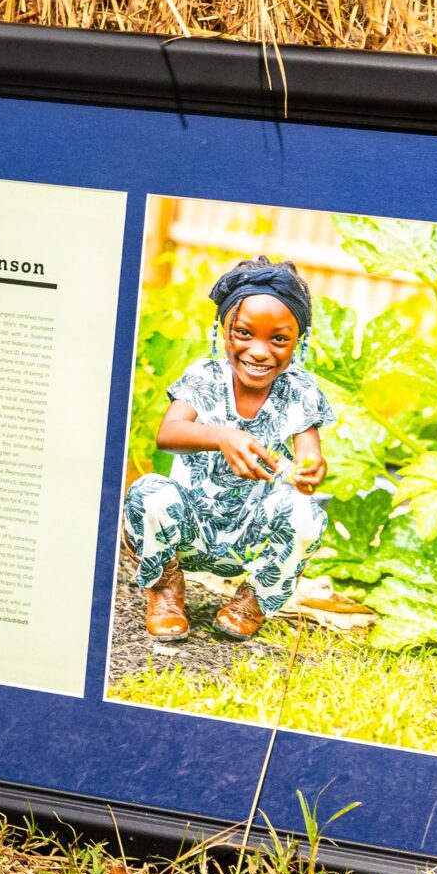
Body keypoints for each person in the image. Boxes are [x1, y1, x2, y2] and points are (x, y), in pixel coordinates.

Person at [122, 257, 334, 644]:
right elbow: (168, 432)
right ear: (223, 331)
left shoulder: (300, 391)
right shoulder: (205, 377)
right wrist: (222, 436)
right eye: (244, 333)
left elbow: (310, 454)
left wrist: (311, 470)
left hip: (251, 533)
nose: (259, 351)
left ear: (299, 341)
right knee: (148, 491)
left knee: (307, 516)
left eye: (279, 339)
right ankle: (166, 590)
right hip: (190, 526)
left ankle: (252, 599)